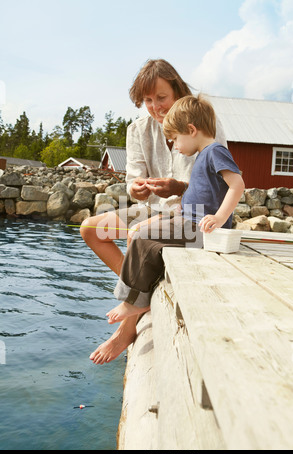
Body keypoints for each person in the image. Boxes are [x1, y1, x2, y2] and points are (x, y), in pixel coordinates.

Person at [83, 59, 227, 365]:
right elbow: (133, 177)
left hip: (191, 214)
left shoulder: (204, 122)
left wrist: (177, 187)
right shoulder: (137, 129)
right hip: (148, 209)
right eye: (147, 100)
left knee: (138, 233)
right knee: (90, 229)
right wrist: (135, 188)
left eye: (161, 97)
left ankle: (127, 327)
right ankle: (142, 292)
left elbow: (217, 185)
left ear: (177, 89)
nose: (155, 107)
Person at [106, 94, 245, 324]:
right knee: (139, 229)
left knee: (141, 236)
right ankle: (140, 296)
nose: (176, 146)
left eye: (176, 139)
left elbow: (237, 184)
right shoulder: (204, 154)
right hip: (188, 220)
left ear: (191, 130)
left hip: (199, 227)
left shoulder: (214, 151)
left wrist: (219, 218)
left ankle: (132, 303)